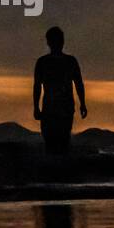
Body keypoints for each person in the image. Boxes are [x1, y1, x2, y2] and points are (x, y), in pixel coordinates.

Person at [32, 26, 86, 155]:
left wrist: (83, 103)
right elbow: (37, 86)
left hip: (59, 108)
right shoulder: (46, 62)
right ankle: (58, 169)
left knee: (57, 142)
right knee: (57, 142)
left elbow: (79, 83)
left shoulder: (46, 62)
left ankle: (57, 169)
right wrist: (82, 104)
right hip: (55, 108)